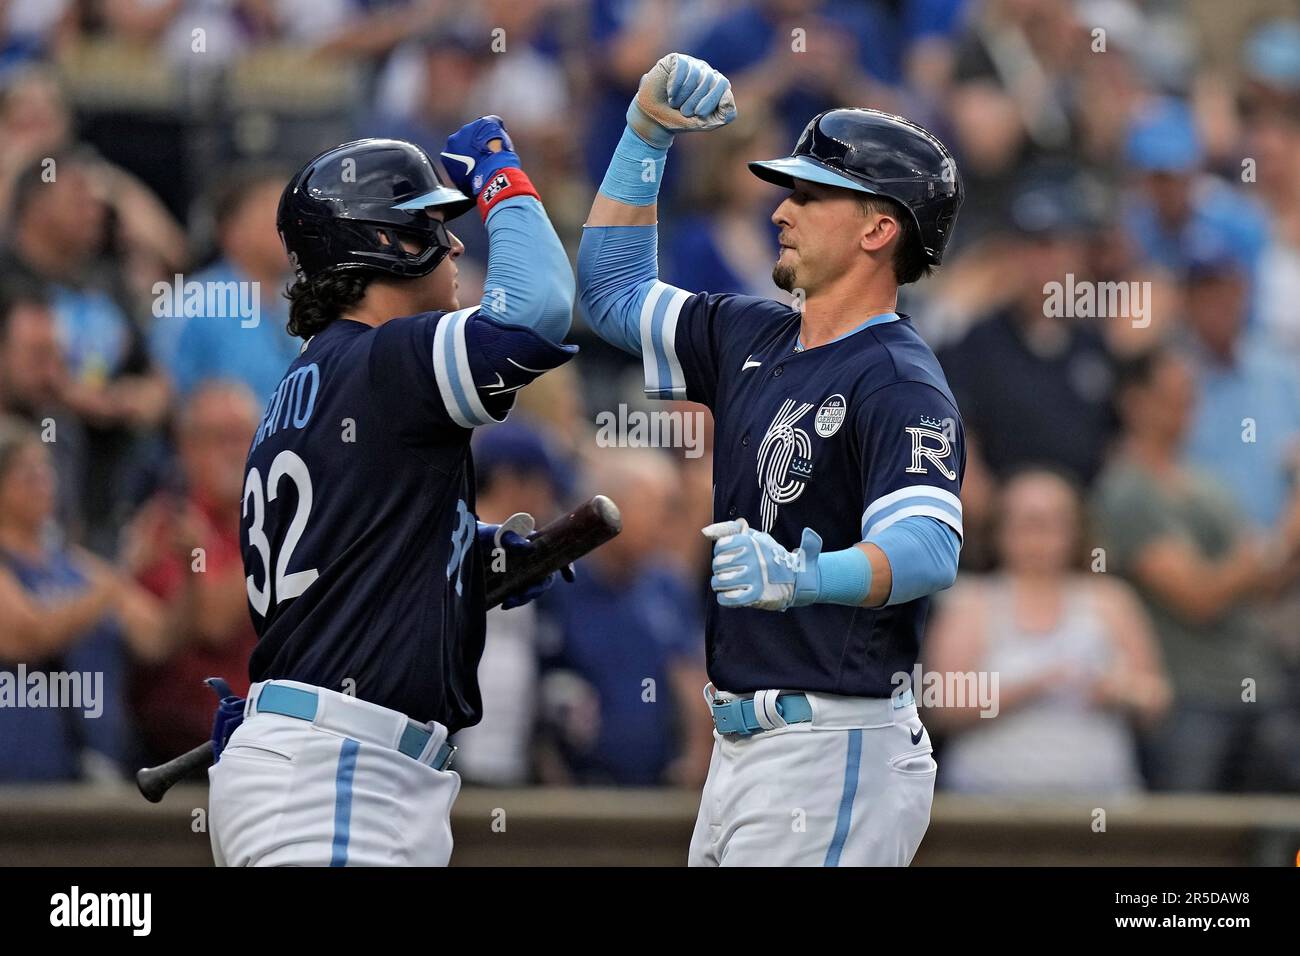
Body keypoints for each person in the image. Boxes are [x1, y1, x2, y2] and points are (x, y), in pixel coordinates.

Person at [578, 54, 965, 866]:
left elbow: (931, 548)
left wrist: (803, 576)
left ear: (877, 228)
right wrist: (644, 133)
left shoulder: (899, 377)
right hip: (745, 751)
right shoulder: (752, 332)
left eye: (810, 194)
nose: (782, 210)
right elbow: (610, 294)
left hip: (833, 744)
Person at [208, 124, 577, 867]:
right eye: (438, 227)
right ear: (389, 242)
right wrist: (500, 175)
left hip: (328, 757)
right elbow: (538, 311)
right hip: (338, 768)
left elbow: (353, 547)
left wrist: (465, 555)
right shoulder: (386, 361)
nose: (457, 247)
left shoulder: (307, 383)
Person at [1093, 347, 1300, 791]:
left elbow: (1265, 582)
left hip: (1259, 686)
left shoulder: (1209, 484)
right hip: (1189, 698)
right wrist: (1282, 537)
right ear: (1135, 402)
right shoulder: (1126, 491)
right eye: (1173, 395)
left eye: (1191, 395)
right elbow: (1198, 597)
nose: (1187, 407)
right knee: (1189, 837)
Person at [925, 468, 1169, 795]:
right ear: (1000, 530)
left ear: (1077, 530)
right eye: (1028, 523)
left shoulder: (1112, 600)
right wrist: (1034, 684)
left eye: (1054, 523)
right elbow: (942, 705)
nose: (1040, 538)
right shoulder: (970, 602)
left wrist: (1120, 690)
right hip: (987, 801)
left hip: (1100, 799)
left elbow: (1156, 698)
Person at [0, 417, 166, 782]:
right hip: (15, 773)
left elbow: (158, 640)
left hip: (95, 769)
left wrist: (189, 571)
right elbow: (28, 636)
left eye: (46, 469)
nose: (42, 481)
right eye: (26, 472)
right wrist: (124, 569)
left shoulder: (79, 565)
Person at [540, 448, 712, 788]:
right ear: (612, 509)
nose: (666, 523)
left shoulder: (667, 586)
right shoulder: (558, 586)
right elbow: (536, 682)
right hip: (573, 791)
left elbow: (690, 673)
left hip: (657, 787)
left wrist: (697, 753)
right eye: (656, 508)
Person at [127, 381, 263, 764]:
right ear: (188, 448)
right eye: (222, 438)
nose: (237, 451)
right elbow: (210, 623)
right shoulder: (167, 525)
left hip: (269, 745)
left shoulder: (267, 518)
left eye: (246, 436)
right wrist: (281, 531)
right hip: (188, 756)